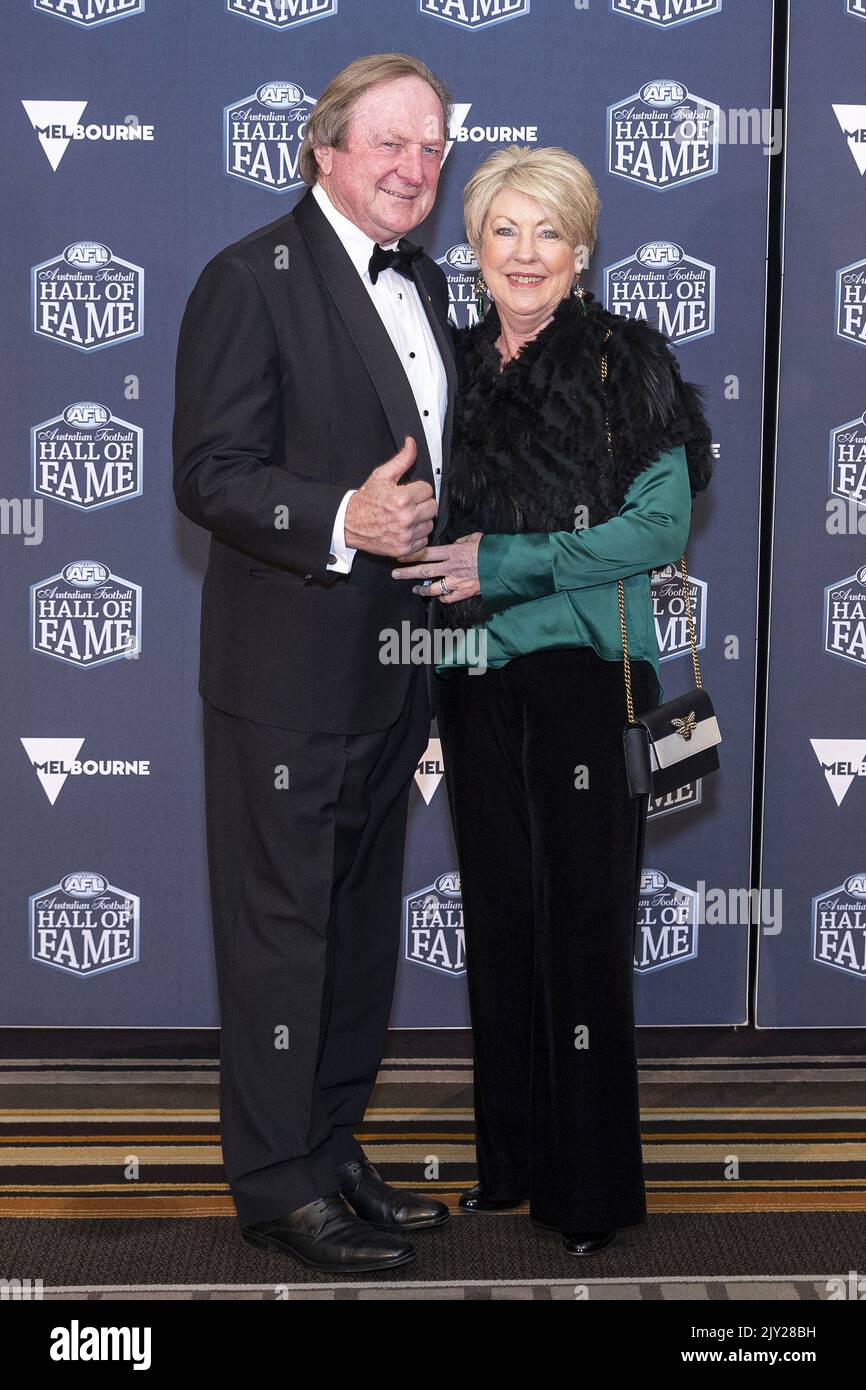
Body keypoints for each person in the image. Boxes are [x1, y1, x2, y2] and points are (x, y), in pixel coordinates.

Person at [392, 145, 714, 1255]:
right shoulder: (449, 366)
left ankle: (589, 1190)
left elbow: (657, 530)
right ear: (472, 250)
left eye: (546, 233)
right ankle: (511, 1161)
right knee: (499, 925)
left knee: (580, 934)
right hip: (473, 680)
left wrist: (508, 561)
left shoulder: (627, 367)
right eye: (501, 232)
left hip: (585, 679)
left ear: (580, 253)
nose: (523, 253)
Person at [171, 53, 458, 1274]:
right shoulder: (248, 279)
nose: (414, 167)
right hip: (286, 675)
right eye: (389, 142)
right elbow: (210, 476)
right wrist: (345, 516)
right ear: (324, 150)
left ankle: (334, 1151)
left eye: (433, 146)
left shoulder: (428, 282)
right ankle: (275, 1182)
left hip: (394, 666)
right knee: (284, 932)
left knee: (352, 932)